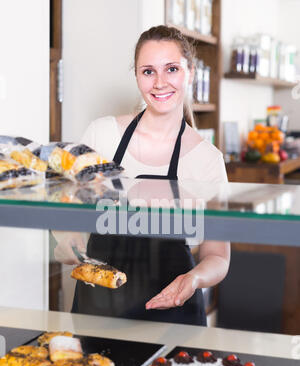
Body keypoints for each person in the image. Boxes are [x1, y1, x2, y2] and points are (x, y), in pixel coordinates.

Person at [54, 25, 230, 325]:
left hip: (173, 316)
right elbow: (62, 208)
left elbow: (218, 256)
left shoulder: (207, 160)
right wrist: (66, 240)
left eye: (171, 69)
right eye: (148, 71)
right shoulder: (102, 135)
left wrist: (194, 279)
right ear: (136, 76)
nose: (160, 83)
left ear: (190, 72)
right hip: (98, 311)